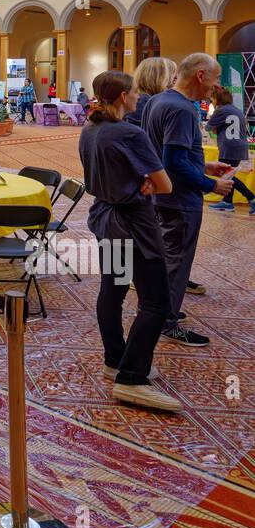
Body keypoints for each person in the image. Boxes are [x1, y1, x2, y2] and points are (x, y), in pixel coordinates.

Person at [79, 70, 179, 412]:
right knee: (156, 303)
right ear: (123, 96)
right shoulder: (129, 132)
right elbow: (164, 184)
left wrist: (142, 180)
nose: (138, 96)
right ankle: (132, 378)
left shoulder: (90, 129)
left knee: (114, 290)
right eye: (134, 92)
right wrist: (147, 182)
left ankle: (115, 358)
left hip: (106, 220)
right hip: (134, 226)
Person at [142, 53, 233, 346]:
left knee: (166, 258)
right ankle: (166, 320)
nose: (215, 87)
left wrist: (203, 165)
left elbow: (159, 152)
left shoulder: (158, 100)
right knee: (177, 263)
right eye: (215, 79)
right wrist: (211, 183)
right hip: (179, 201)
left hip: (160, 196)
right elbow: (173, 161)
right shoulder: (182, 109)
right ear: (201, 75)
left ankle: (159, 311)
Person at [208, 84, 255, 215]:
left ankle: (251, 198)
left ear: (217, 99)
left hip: (228, 146)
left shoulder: (220, 110)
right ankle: (228, 202)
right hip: (240, 146)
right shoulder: (237, 110)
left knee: (227, 175)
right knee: (229, 175)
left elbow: (208, 128)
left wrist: (215, 126)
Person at [126, 56, 177, 129]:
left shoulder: (153, 99)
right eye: (173, 76)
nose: (175, 80)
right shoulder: (141, 102)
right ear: (159, 77)